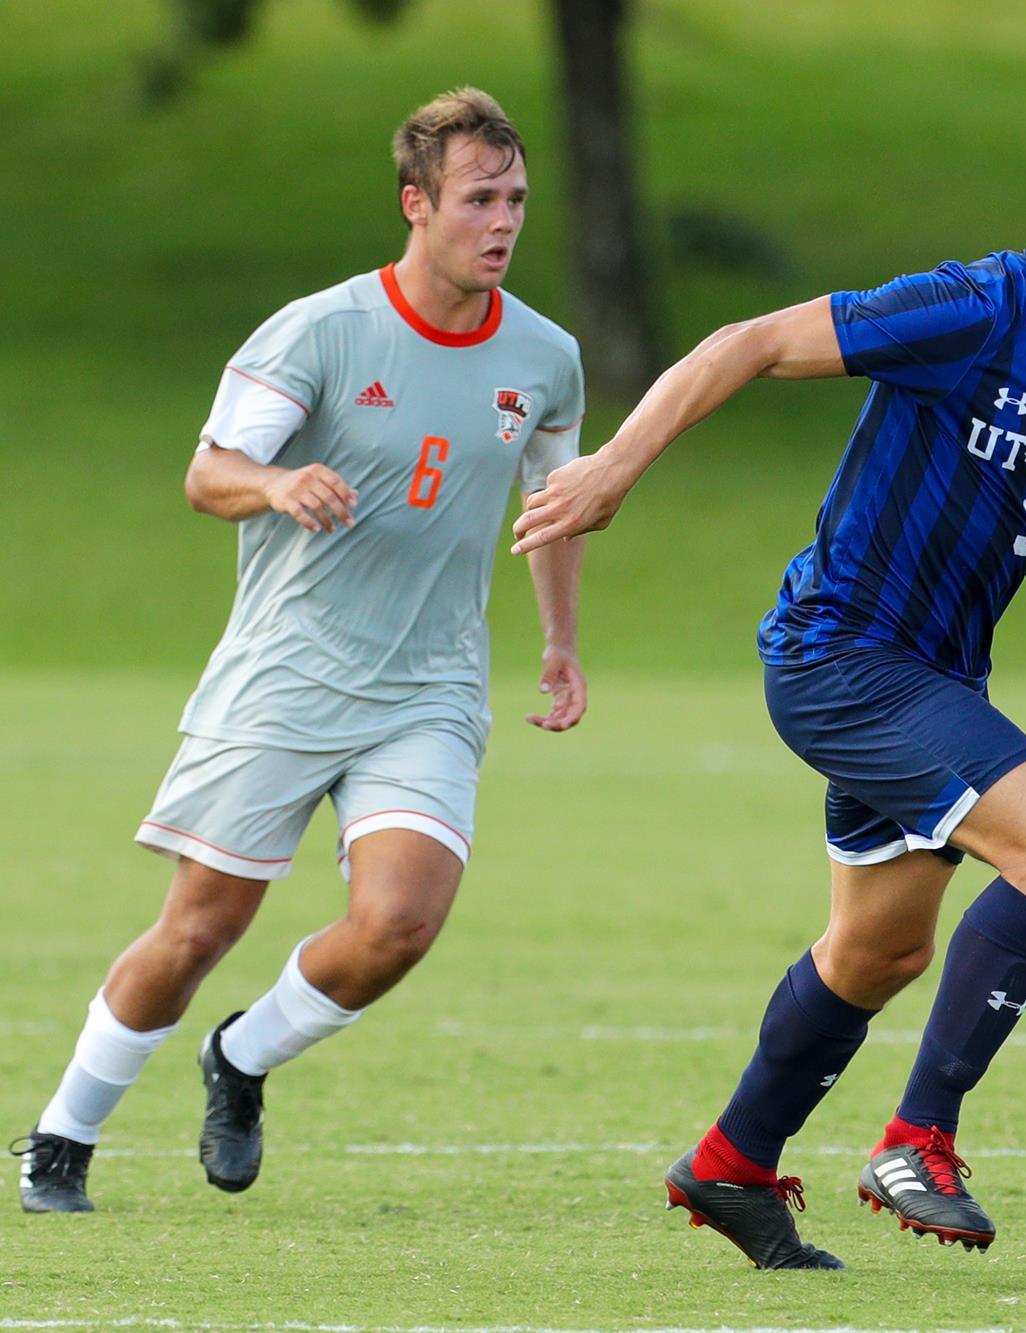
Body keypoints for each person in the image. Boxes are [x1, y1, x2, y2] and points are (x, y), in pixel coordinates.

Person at [512, 90, 1026, 1267]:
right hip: (841, 653)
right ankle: (917, 1139)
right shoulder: (970, 308)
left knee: (877, 953)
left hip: (935, 672)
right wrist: (613, 465)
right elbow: (746, 342)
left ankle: (729, 1164)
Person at [12, 88, 588, 1214]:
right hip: (287, 675)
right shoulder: (320, 330)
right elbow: (208, 474)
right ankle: (61, 1136)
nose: (503, 222)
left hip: (428, 686)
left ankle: (241, 1057)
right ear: (416, 204)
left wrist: (561, 640)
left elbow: (557, 500)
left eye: (516, 199)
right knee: (199, 929)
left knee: (399, 925)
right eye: (479, 199)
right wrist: (276, 483)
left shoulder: (546, 355)